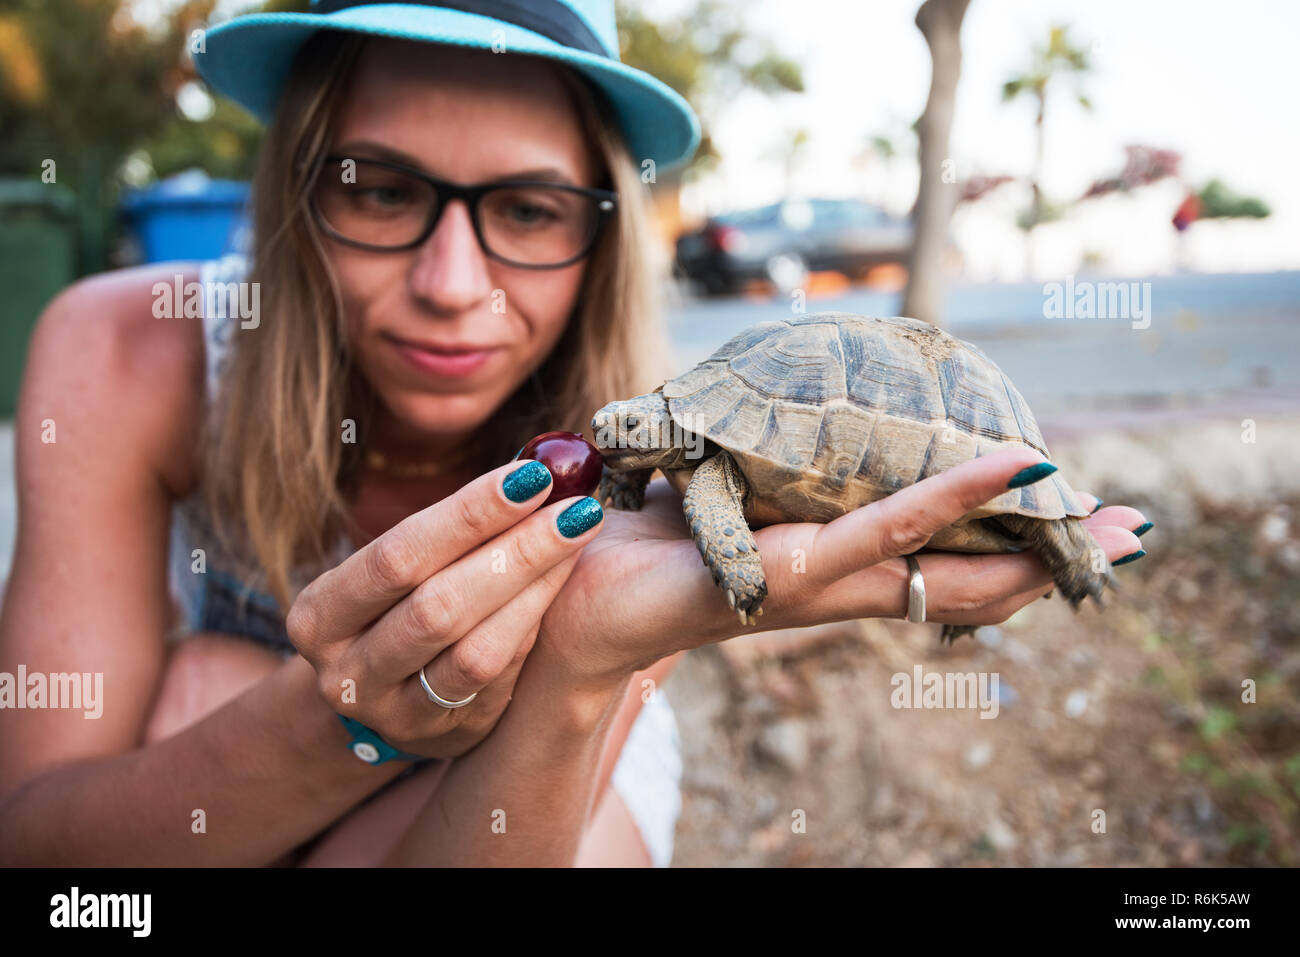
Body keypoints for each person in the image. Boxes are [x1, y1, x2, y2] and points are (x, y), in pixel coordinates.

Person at [0, 0, 1149, 867]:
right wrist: (340, 720)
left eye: (527, 208)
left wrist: (578, 671)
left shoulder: (645, 485)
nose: (453, 284)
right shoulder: (127, 353)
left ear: (604, 233)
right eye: (381, 190)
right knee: (202, 683)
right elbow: (42, 853)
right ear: (293, 189)